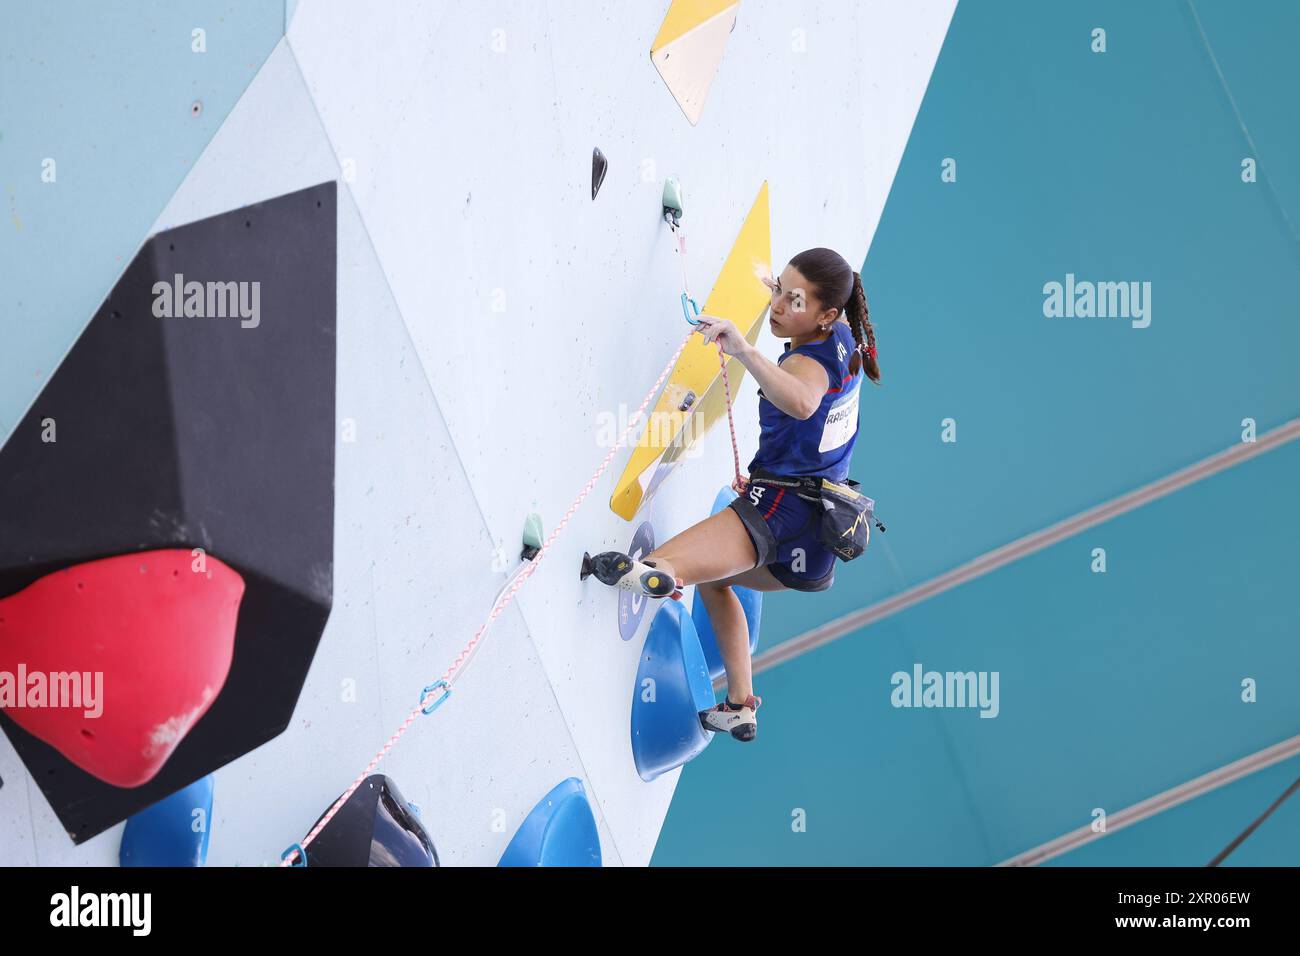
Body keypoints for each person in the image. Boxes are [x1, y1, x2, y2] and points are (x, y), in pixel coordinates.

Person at [585, 247, 880, 742]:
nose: (780, 307)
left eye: (795, 300)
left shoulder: (811, 364)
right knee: (716, 583)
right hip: (819, 543)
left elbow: (805, 401)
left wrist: (743, 349)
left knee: (664, 564)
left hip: (781, 514)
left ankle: (654, 573)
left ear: (827, 315)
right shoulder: (845, 340)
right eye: (778, 291)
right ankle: (740, 704)